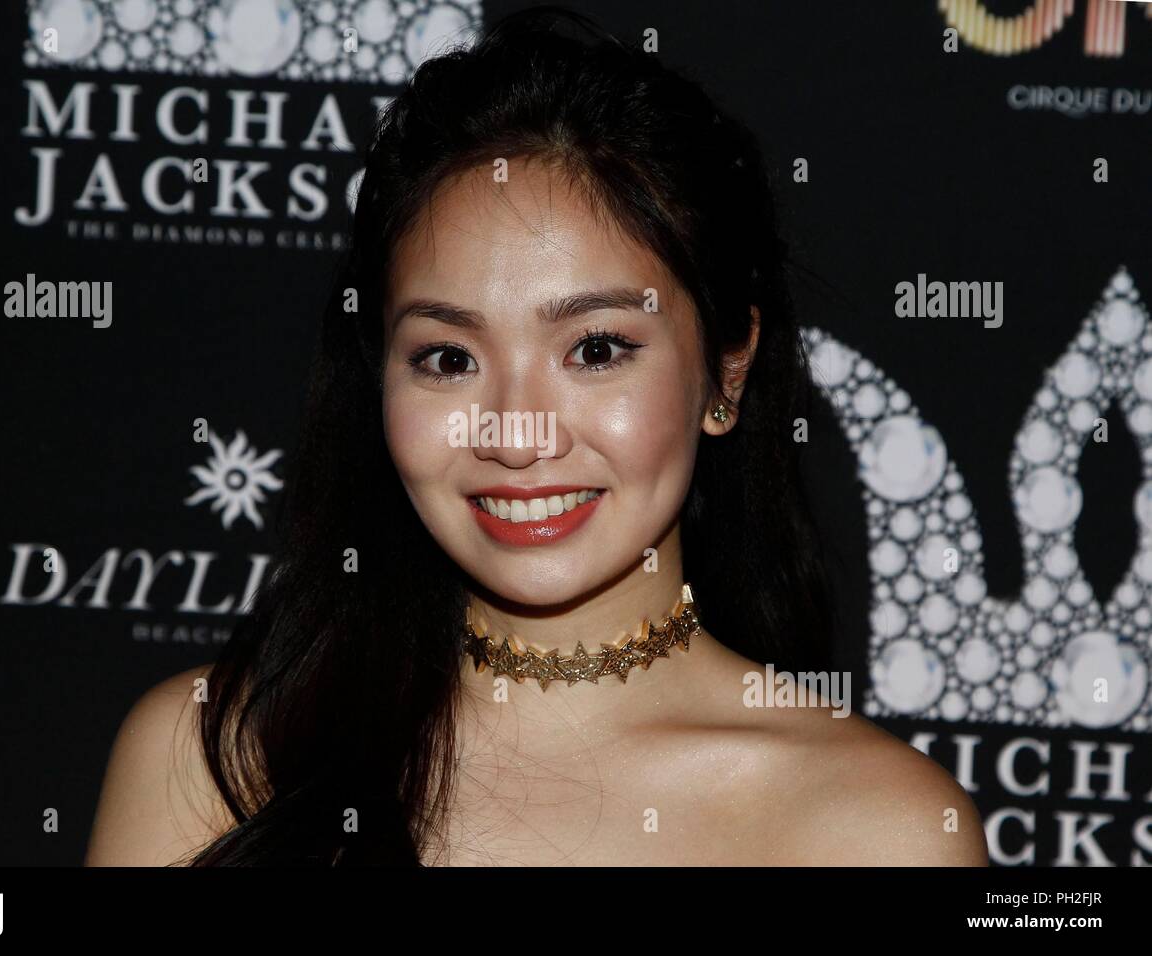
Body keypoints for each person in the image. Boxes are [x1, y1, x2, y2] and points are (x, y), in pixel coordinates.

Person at [85, 6, 987, 867]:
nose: (518, 435)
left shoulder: (879, 831)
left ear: (727, 369)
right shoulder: (211, 759)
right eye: (446, 358)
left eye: (595, 349)